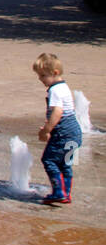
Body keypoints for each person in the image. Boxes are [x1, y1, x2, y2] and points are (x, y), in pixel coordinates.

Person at [34, 53, 82, 205]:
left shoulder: (54, 90)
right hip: (74, 134)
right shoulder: (64, 87)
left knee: (49, 160)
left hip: (63, 135)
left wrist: (47, 130)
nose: (40, 79)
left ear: (54, 73)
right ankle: (66, 194)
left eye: (42, 75)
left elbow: (58, 112)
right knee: (66, 163)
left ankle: (58, 192)